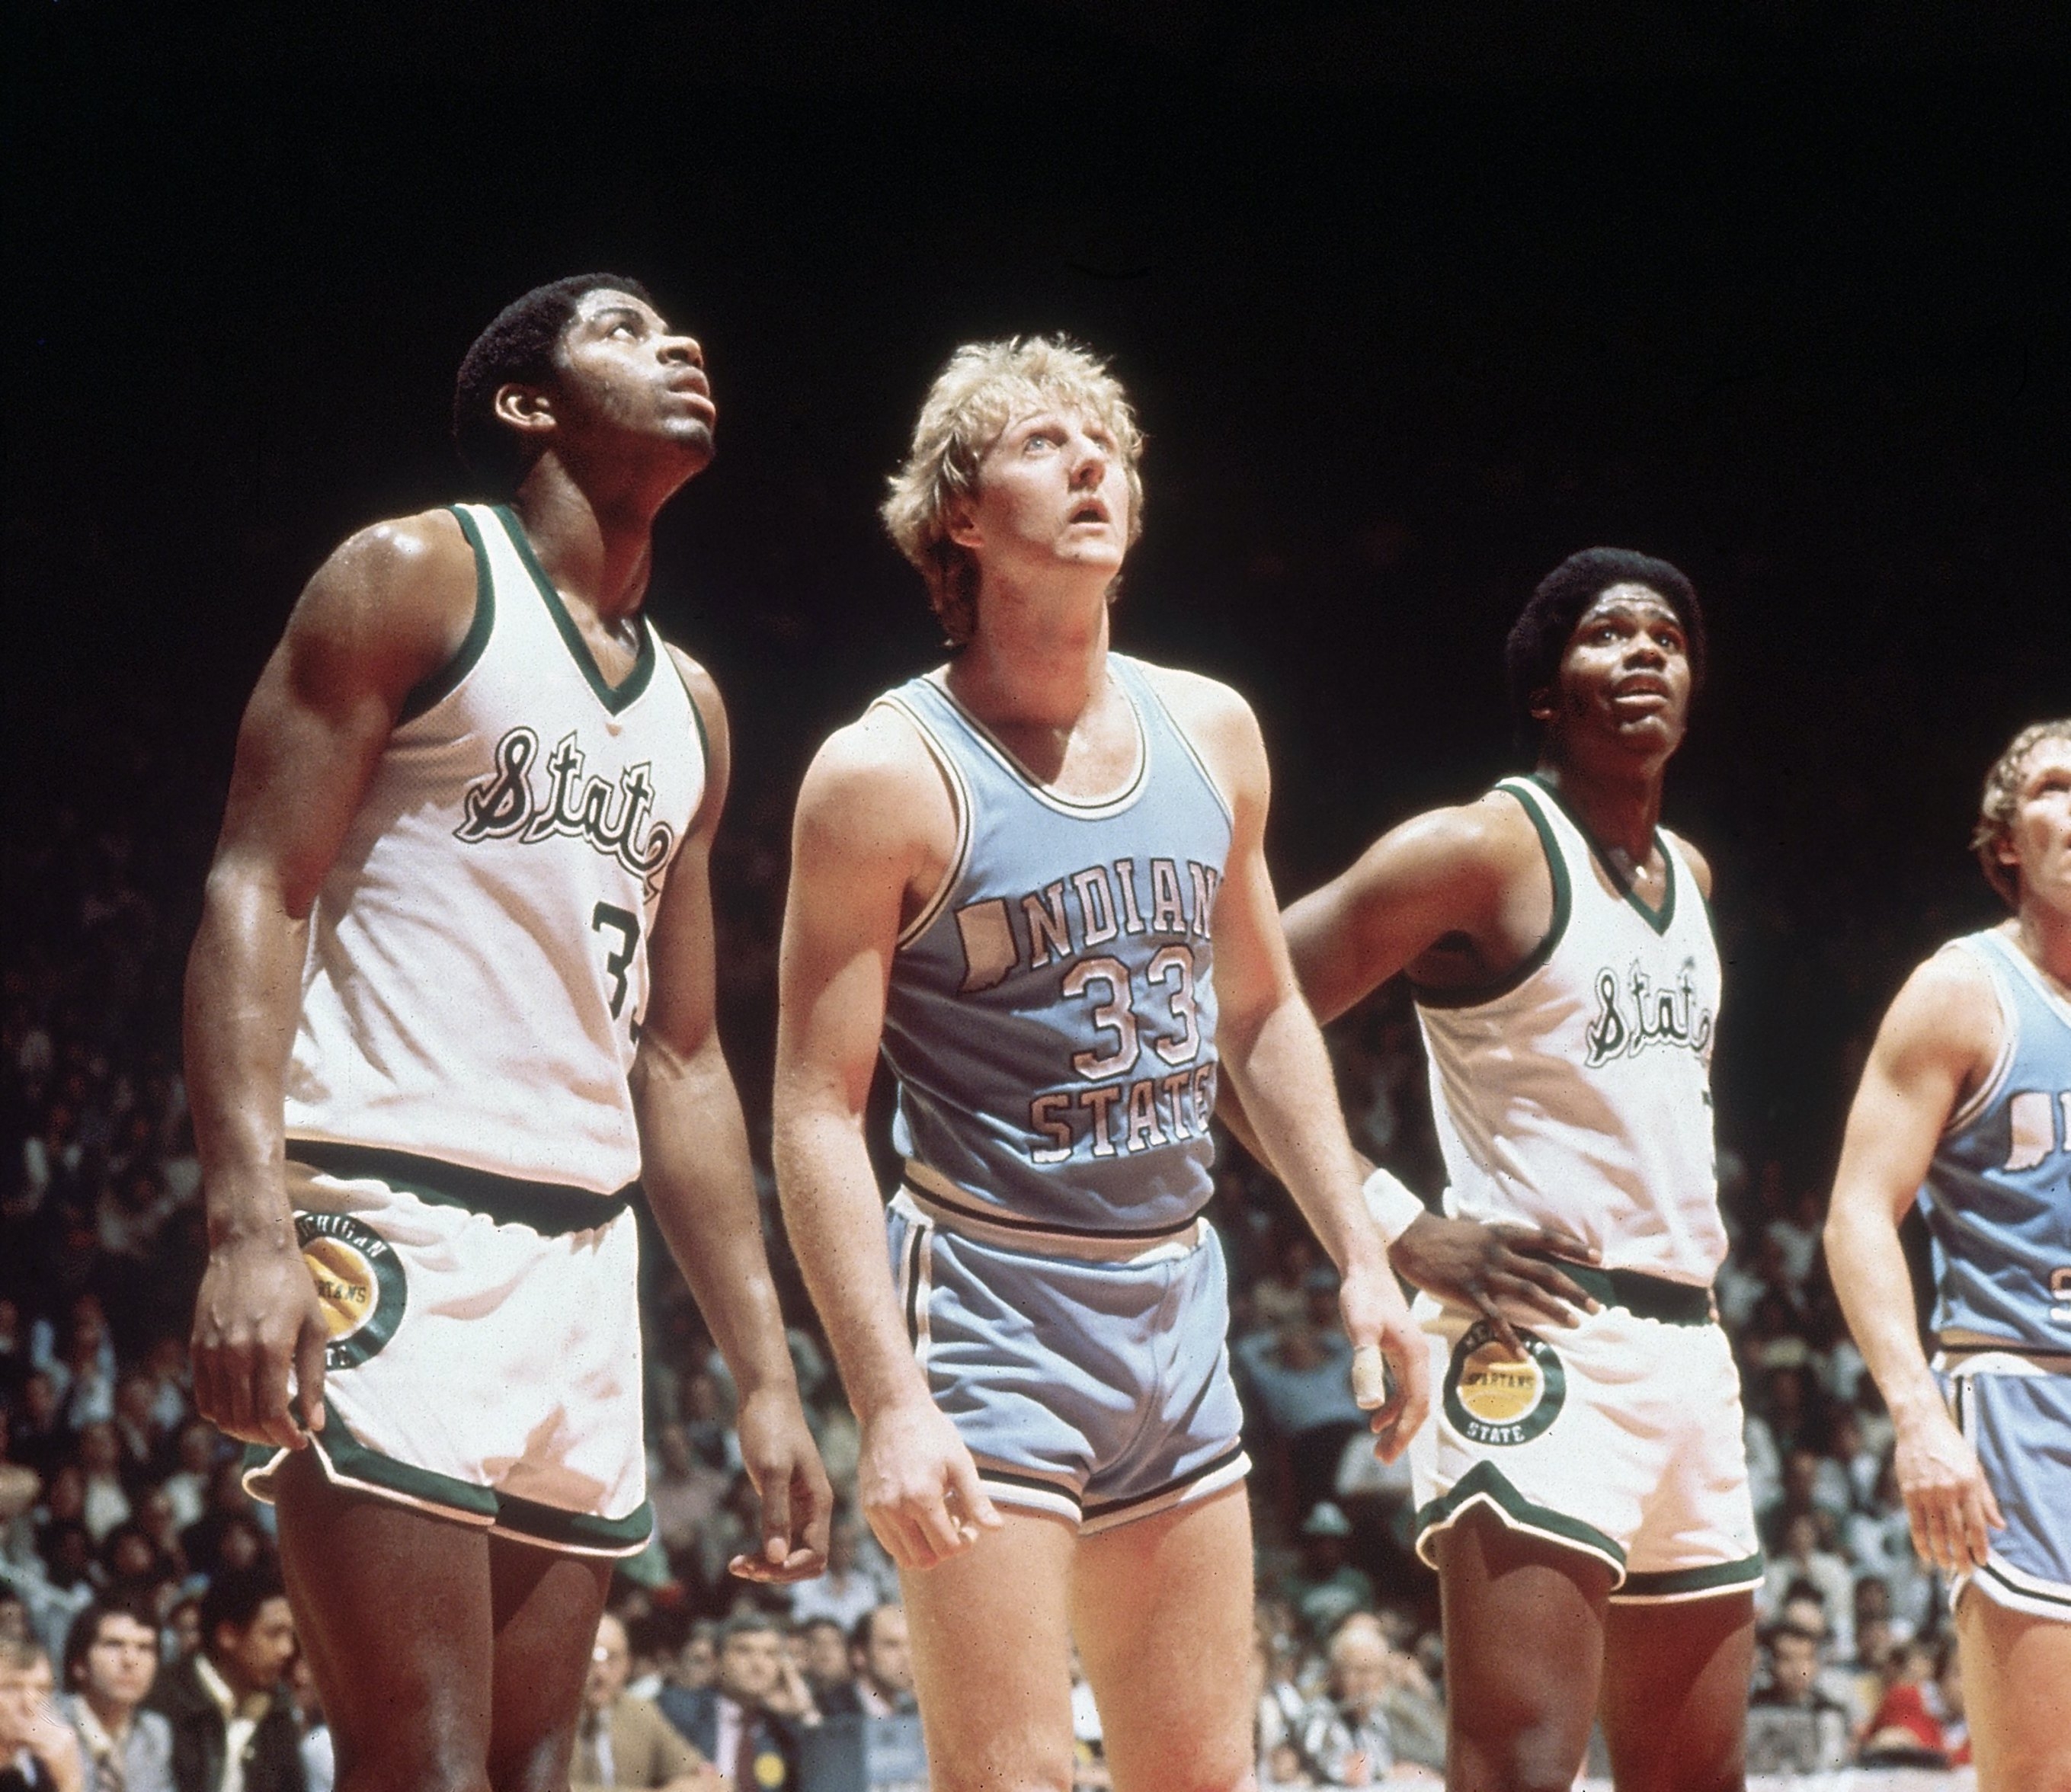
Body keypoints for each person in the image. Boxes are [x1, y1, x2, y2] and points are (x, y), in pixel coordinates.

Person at [181, 276, 831, 1792]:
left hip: (583, 1265)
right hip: (390, 1218)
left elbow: (678, 1058)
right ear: (530, 405)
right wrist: (246, 1225)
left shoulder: (695, 710)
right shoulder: (414, 575)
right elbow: (253, 884)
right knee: (428, 1768)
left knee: (537, 1776)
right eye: (625, 327)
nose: (683, 343)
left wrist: (765, 1370)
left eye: (689, 329)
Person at [771, 336, 1429, 1792]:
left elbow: (1255, 1017)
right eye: (1040, 442)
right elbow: (816, 1113)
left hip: (1171, 1296)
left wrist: (1363, 1252)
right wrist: (884, 1399)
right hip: (992, 1301)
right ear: (958, 513)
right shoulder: (885, 771)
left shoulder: (1211, 727)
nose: (1088, 463)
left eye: (1107, 445)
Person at [1269, 549, 1761, 1790]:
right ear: (1545, 692)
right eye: (1607, 635)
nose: (1644, 650)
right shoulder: (1478, 847)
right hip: (1539, 1343)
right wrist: (1386, 1225)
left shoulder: (1687, 879)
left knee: (1696, 1777)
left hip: (1690, 1347)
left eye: (1666, 634)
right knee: (1519, 1765)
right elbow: (1234, 1018)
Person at [1823, 718, 2071, 1792]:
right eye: (2057, 786)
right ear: (2006, 840)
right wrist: (1920, 1420)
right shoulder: (1962, 991)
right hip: (2023, 1397)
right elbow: (1856, 1214)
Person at [146, 1567, 301, 1792]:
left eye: (290, 1635)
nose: (287, 1650)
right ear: (227, 1635)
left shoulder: (278, 1705)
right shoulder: (164, 1701)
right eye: (274, 1634)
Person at [570, 1616, 718, 1792]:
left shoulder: (640, 1713)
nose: (601, 1673)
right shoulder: (544, 1719)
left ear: (628, 1664)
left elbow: (707, 1778)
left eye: (613, 1658)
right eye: (590, 1657)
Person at [655, 1616, 802, 1791]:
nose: (758, 1664)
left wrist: (805, 1713)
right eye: (744, 1651)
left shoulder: (784, 1727)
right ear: (716, 1660)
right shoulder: (678, 1708)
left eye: (770, 1654)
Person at [59, 1599, 172, 1792]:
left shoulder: (155, 1732)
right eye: (114, 1645)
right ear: (79, 1664)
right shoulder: (48, 1724)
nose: (130, 1660)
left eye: (145, 1648)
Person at [1, 1640, 84, 1792]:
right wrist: (69, 1784)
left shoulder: (43, 1764)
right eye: (11, 1687)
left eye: (42, 1689)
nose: (30, 1704)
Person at [815, 1607, 916, 1719]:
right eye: (891, 1645)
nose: (907, 1656)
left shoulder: (916, 1708)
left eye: (911, 1645)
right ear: (860, 1655)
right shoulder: (827, 1711)